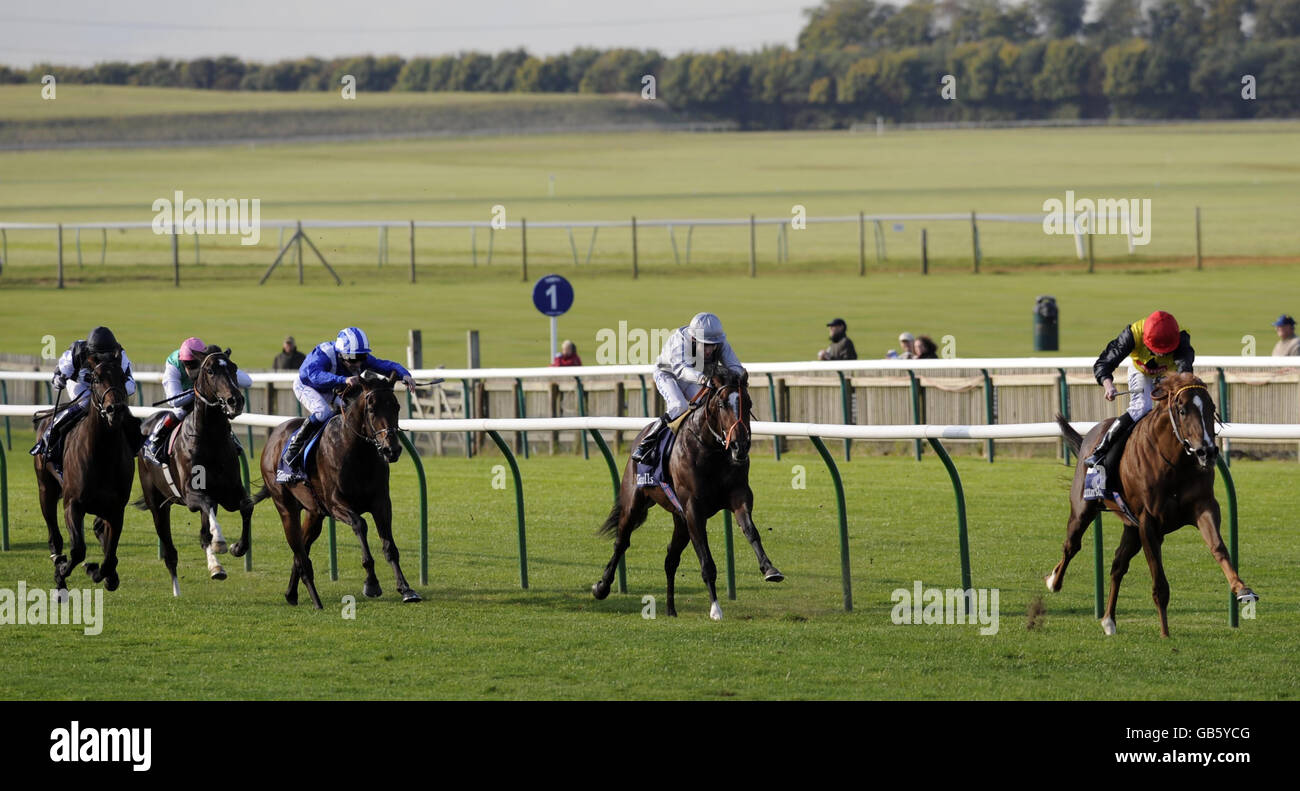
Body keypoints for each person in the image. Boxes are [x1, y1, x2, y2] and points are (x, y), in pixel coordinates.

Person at [277, 327, 417, 483]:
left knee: (350, 413)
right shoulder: (324, 353)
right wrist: (342, 380)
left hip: (330, 389)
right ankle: (291, 454)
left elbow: (383, 364)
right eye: (353, 359)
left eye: (361, 357)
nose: (358, 363)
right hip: (308, 386)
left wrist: (404, 374)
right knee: (323, 413)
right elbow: (313, 375)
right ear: (342, 355)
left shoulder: (357, 357)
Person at [1084, 310, 1194, 499]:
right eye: (1157, 349)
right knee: (1141, 408)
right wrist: (1108, 385)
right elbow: (1104, 362)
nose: (1161, 354)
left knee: (1177, 410)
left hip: (1170, 373)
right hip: (1140, 371)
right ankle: (1101, 452)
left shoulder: (1182, 336)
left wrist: (1181, 389)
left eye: (1165, 350)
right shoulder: (1133, 333)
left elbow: (1184, 369)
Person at [631, 312, 745, 464]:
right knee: (679, 406)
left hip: (693, 377)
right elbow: (680, 370)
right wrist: (703, 378)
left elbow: (735, 366)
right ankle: (646, 444)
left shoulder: (720, 343)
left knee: (706, 405)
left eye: (713, 345)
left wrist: (736, 376)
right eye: (705, 345)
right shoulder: (680, 340)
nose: (709, 350)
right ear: (693, 338)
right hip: (668, 374)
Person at [30, 326, 137, 473]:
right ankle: (49, 436)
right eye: (99, 356)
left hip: (106, 387)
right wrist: (59, 381)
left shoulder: (119, 354)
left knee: (116, 408)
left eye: (107, 355)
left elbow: (131, 385)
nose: (103, 359)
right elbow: (59, 374)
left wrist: (113, 392)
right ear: (91, 352)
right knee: (87, 403)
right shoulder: (77, 350)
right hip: (81, 386)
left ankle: (137, 443)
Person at [143, 337, 253, 465]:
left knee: (217, 411)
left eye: (194, 364)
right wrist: (196, 392)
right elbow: (174, 400)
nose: (190, 368)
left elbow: (248, 381)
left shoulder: (210, 362)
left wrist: (226, 370)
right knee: (180, 412)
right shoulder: (173, 365)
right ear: (181, 360)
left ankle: (231, 439)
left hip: (203, 395)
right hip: (185, 396)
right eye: (187, 364)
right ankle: (156, 441)